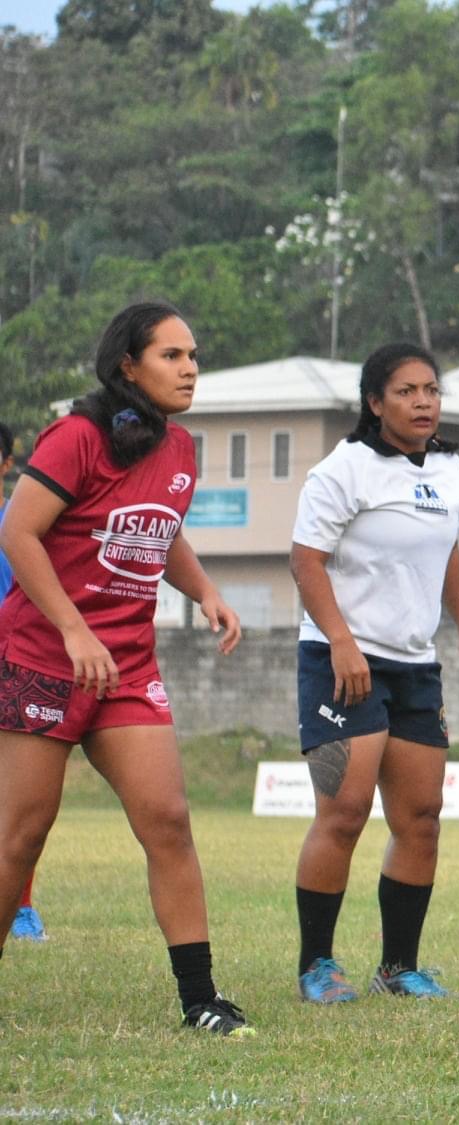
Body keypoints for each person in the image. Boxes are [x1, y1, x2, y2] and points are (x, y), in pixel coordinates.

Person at [0, 302, 252, 1035]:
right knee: (22, 834)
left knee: (168, 819)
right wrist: (74, 630)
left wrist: (204, 590)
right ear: (126, 366)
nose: (190, 368)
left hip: (127, 664)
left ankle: (200, 999)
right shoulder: (77, 435)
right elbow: (19, 532)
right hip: (45, 656)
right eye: (172, 355)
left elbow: (160, 532)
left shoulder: (180, 449)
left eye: (194, 355)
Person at [289, 343, 459, 1004]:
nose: (424, 401)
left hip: (414, 664)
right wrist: (343, 641)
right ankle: (317, 964)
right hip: (341, 660)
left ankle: (398, 967)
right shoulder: (344, 470)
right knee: (344, 812)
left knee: (422, 817)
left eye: (431, 389)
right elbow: (306, 560)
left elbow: (448, 550)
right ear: (374, 402)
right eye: (406, 390)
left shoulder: (452, 471)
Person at [0, 422, 47, 944]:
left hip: (15, 665)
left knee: (19, 803)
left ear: (7, 464)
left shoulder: (25, 523)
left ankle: (22, 908)